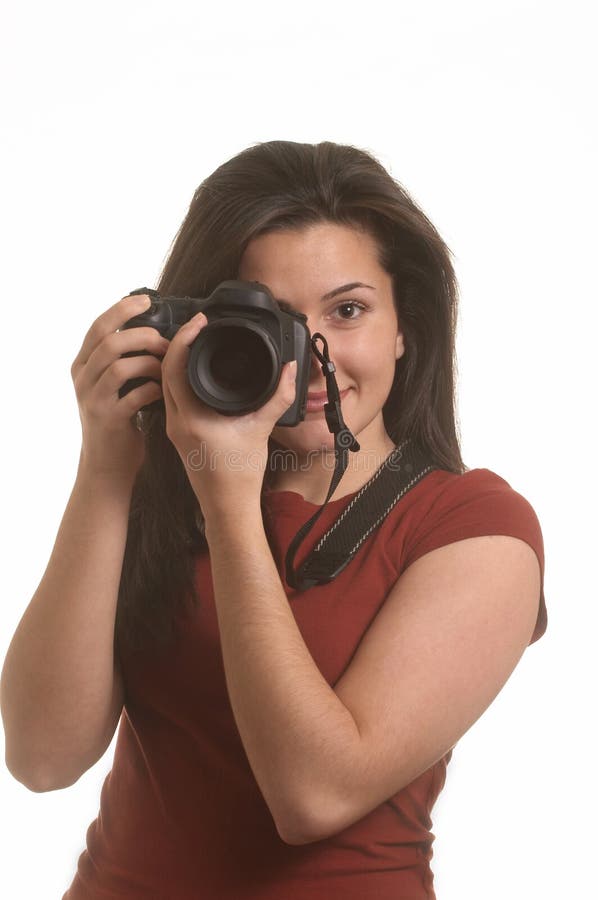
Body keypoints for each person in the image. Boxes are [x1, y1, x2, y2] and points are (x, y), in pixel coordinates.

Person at [0, 140, 547, 899]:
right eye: (274, 321)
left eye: (348, 310)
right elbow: (40, 757)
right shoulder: (166, 493)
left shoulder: (473, 528)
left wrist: (228, 500)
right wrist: (106, 463)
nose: (314, 356)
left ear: (405, 326)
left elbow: (314, 796)